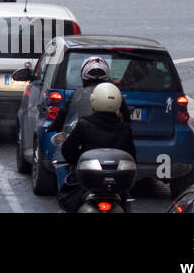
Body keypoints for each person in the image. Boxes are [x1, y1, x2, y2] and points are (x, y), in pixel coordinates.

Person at [57, 83, 137, 213]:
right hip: (116, 183)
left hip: (88, 181)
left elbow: (67, 150)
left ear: (94, 101)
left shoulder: (83, 124)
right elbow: (131, 157)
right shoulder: (125, 129)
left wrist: (79, 161)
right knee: (126, 201)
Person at [50, 57, 130, 130]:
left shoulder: (78, 94)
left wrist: (53, 128)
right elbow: (126, 117)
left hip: (86, 138)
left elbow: (63, 114)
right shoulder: (115, 93)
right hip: (113, 137)